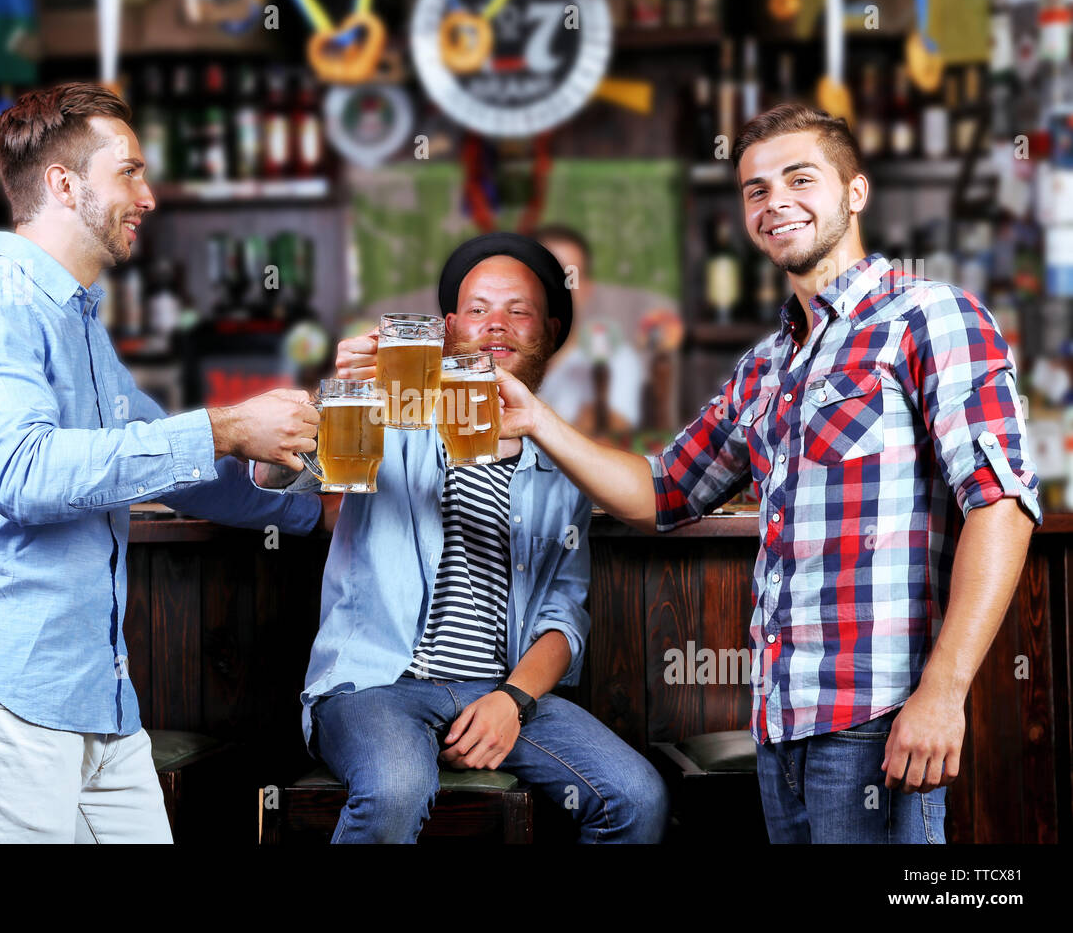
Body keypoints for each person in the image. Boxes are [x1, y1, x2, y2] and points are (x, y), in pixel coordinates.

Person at [493, 105, 1041, 844]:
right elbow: (661, 494)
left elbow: (1001, 505)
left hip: (878, 718)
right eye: (755, 188)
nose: (774, 200)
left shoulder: (928, 316)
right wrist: (536, 420)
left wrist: (943, 692)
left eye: (799, 178)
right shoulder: (763, 368)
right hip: (780, 726)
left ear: (855, 193)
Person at [0, 83, 325, 843]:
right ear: (62, 184)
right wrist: (226, 425)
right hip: (4, 694)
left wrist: (304, 493)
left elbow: (181, 464)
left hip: (96, 704)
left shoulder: (79, 326)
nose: (148, 196)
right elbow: (26, 473)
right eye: (129, 172)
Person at [257, 233, 668, 843]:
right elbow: (272, 474)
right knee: (396, 787)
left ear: (551, 331)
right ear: (448, 331)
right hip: (376, 685)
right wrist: (334, 396)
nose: (494, 325)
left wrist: (512, 700)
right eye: (477, 310)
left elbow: (564, 619)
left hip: (497, 690)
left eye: (517, 310)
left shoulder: (566, 469)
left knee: (637, 797)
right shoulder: (390, 419)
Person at [534, 224, 646, 442]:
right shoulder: (496, 355)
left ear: (586, 290)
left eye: (569, 277)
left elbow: (614, 442)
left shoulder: (615, 360)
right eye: (544, 274)